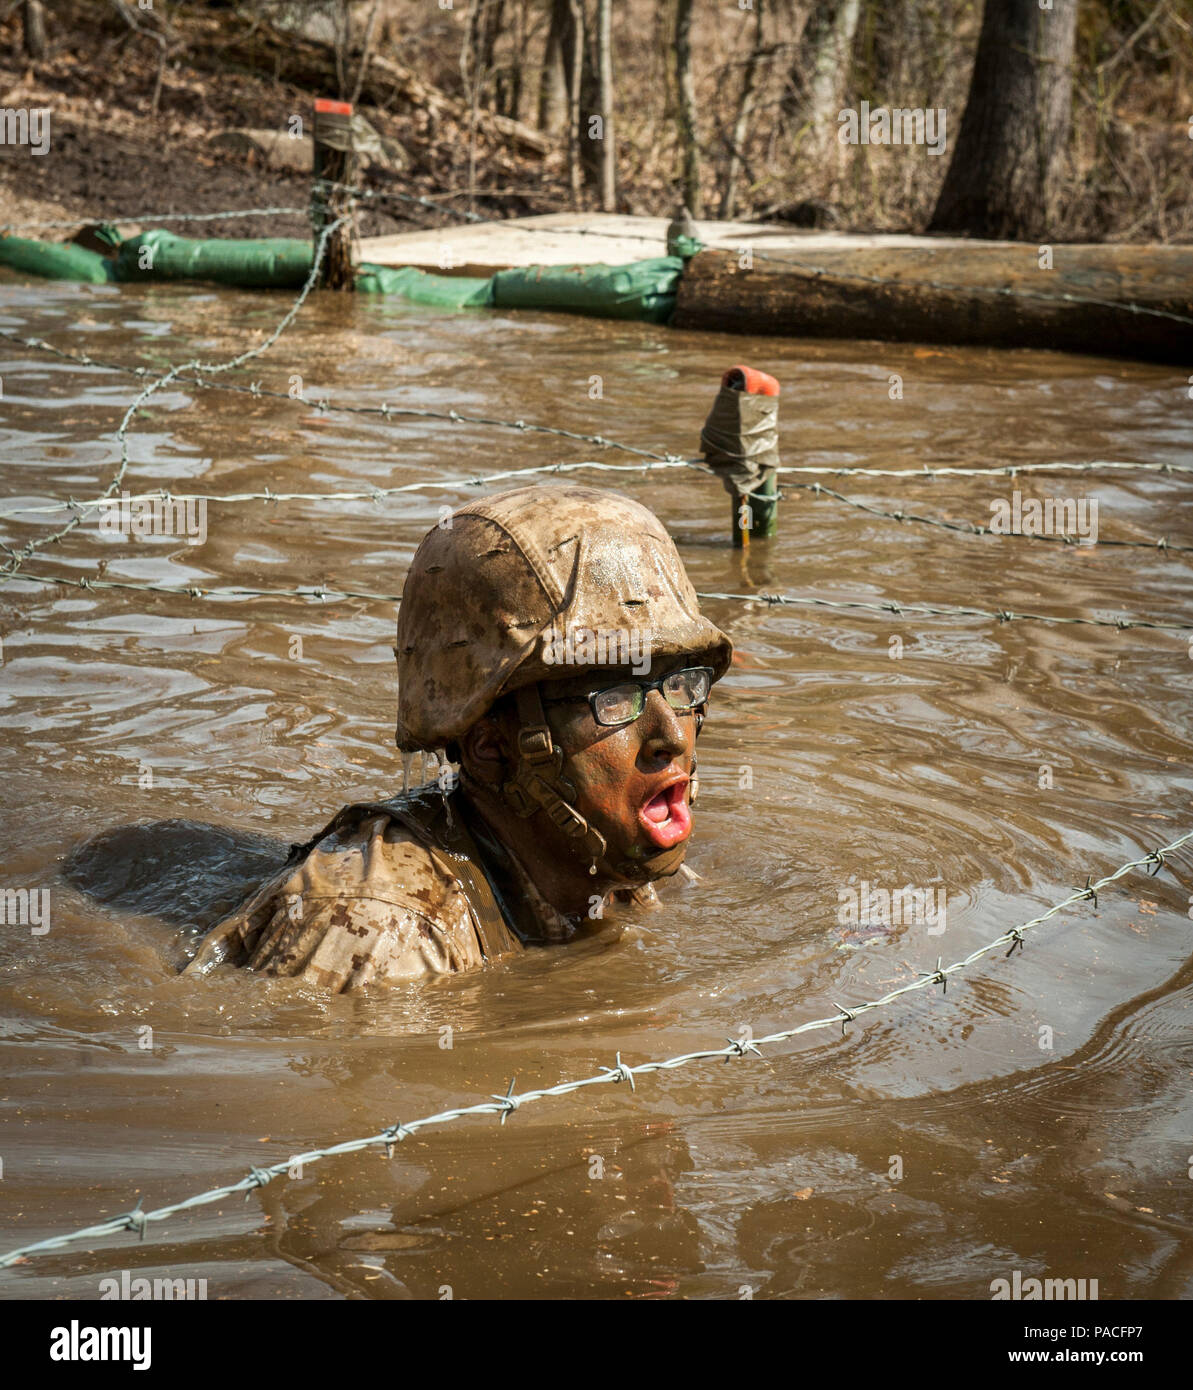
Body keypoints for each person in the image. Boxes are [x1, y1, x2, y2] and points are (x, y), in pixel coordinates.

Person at [183, 484, 732, 992]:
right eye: (613, 699)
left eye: (683, 683)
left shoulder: (606, 857)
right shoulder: (380, 933)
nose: (670, 735)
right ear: (491, 747)